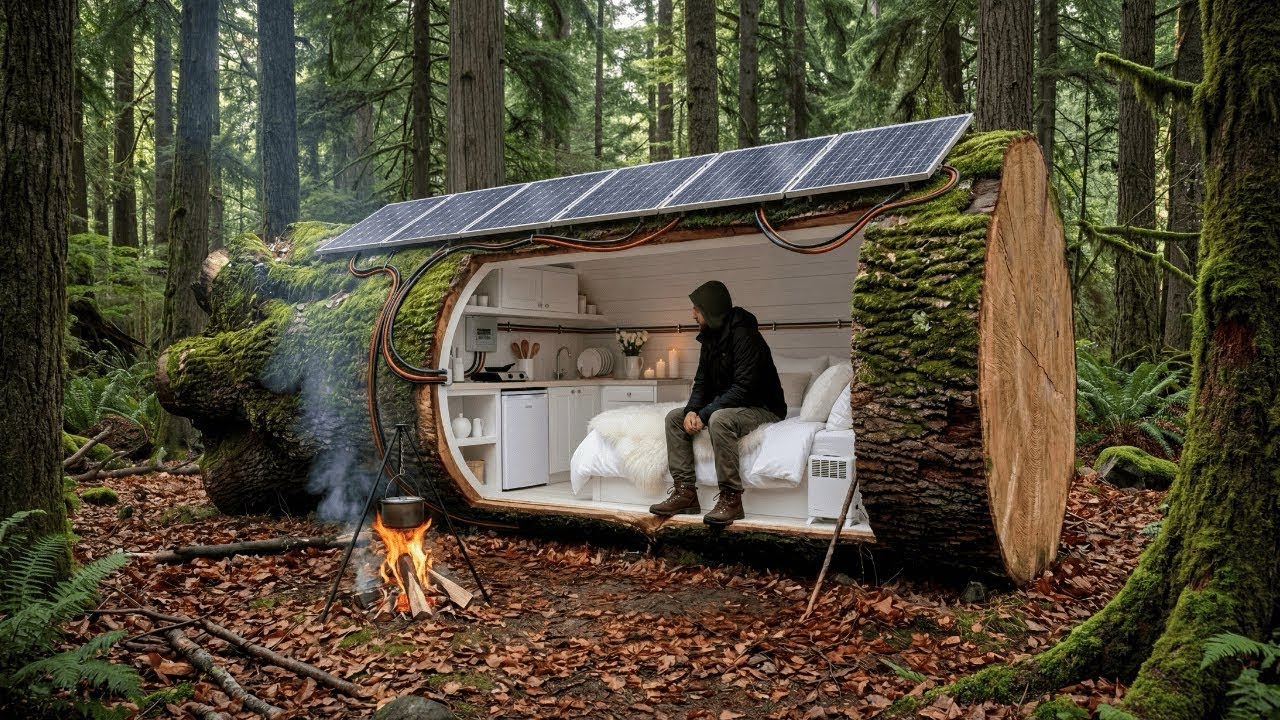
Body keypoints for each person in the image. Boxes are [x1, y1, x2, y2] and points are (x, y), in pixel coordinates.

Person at [650, 280, 786, 526]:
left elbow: (743, 389)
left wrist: (705, 414)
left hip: (762, 407)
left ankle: (731, 499)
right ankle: (685, 494)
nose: (693, 314)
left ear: (710, 309)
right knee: (674, 418)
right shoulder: (710, 336)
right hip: (730, 404)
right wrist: (692, 411)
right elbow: (702, 382)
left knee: (720, 419)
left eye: (696, 309)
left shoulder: (746, 336)